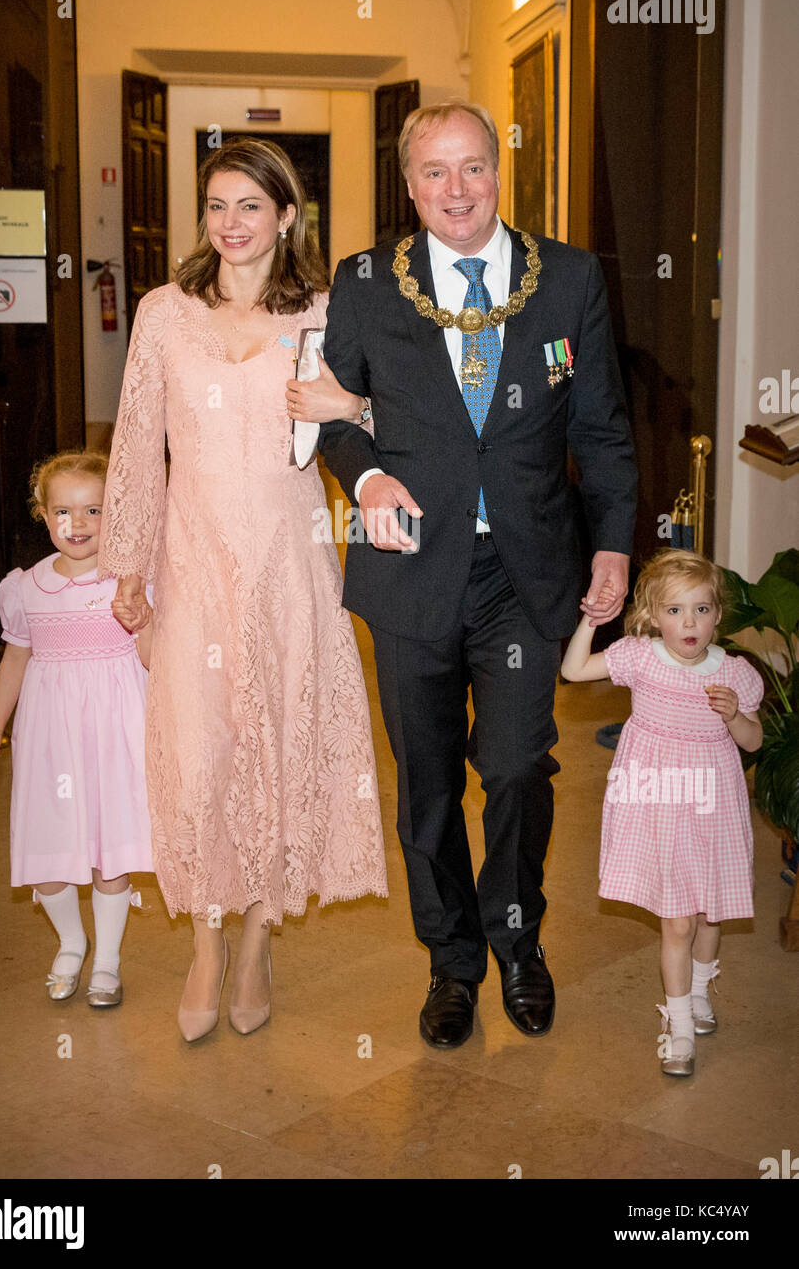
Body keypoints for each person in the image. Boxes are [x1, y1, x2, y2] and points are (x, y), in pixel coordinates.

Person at [317, 101, 637, 1048]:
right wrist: (367, 473)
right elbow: (332, 413)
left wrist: (615, 540)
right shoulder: (368, 283)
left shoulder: (568, 276)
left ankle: (517, 942)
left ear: (501, 171)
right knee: (425, 784)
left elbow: (603, 427)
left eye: (473, 169)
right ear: (407, 182)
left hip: (524, 572)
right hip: (411, 570)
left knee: (512, 768)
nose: (457, 192)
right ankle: (450, 963)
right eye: (433, 172)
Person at [97, 136, 387, 1043]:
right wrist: (130, 565)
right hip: (192, 557)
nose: (231, 225)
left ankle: (261, 935)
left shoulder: (330, 316)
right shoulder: (163, 312)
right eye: (217, 206)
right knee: (201, 747)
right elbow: (138, 440)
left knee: (285, 742)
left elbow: (388, 418)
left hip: (290, 555)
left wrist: (355, 408)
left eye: (250, 207)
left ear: (287, 217)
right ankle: (205, 941)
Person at [562, 549, 764, 1076]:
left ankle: (699, 994)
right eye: (674, 611)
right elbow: (574, 668)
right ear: (653, 617)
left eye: (700, 609)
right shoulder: (642, 657)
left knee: (709, 913)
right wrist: (591, 619)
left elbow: (753, 740)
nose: (688, 623)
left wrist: (735, 715)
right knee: (677, 921)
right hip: (656, 800)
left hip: (711, 804)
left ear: (718, 614)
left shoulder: (736, 675)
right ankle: (677, 1029)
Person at [0, 451, 153, 1007]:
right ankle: (71, 944)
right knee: (49, 850)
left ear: (115, 514)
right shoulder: (25, 588)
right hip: (52, 738)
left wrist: (144, 619)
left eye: (93, 510)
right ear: (43, 515)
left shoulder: (127, 584)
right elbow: (14, 662)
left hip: (114, 731)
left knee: (108, 850)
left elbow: (152, 656)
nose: (77, 524)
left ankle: (108, 960)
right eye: (63, 512)